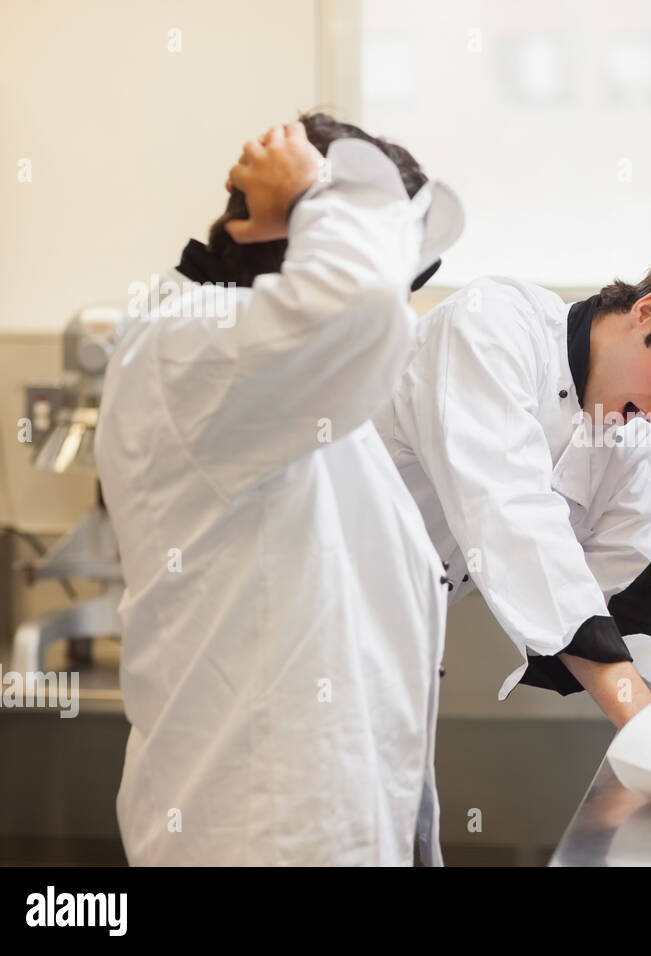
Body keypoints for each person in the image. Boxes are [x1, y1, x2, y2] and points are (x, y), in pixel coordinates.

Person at [95, 114, 463, 865]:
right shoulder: (187, 351)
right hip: (252, 832)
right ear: (292, 233)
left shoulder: (289, 388)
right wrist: (309, 193)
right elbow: (357, 310)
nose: (404, 305)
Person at [373, 249, 651, 726]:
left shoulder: (633, 442)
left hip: (400, 635)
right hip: (309, 591)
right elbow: (509, 516)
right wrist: (648, 730)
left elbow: (625, 633)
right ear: (647, 312)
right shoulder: (494, 326)